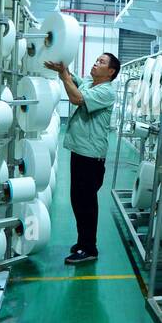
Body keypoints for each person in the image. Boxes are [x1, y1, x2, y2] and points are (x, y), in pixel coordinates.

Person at [44, 52, 120, 264]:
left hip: (91, 155)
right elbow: (74, 78)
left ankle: (90, 248)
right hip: (80, 151)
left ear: (111, 72)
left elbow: (77, 98)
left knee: (86, 202)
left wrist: (64, 76)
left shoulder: (107, 91)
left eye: (101, 62)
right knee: (78, 200)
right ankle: (82, 241)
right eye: (96, 60)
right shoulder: (90, 82)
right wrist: (62, 69)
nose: (96, 64)